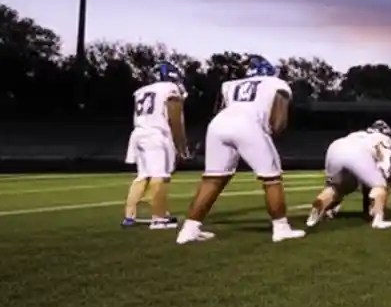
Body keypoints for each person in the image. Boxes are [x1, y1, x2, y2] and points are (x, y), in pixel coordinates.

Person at [176, 55, 304, 244]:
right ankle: (281, 228)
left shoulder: (230, 85)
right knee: (272, 178)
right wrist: (270, 135)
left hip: (219, 123)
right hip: (248, 124)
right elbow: (278, 120)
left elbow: (221, 108)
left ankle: (189, 230)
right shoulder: (276, 83)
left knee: (212, 179)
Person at [123, 61, 188, 229]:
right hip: (156, 134)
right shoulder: (169, 89)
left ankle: (129, 216)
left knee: (143, 175)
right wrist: (182, 145)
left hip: (139, 133)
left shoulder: (141, 91)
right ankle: (158, 218)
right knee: (160, 176)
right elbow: (175, 119)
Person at [308, 120, 391, 229]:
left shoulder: (358, 134)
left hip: (335, 147)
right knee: (379, 185)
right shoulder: (384, 139)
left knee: (336, 187)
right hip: (357, 153)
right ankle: (378, 219)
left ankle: (318, 208)